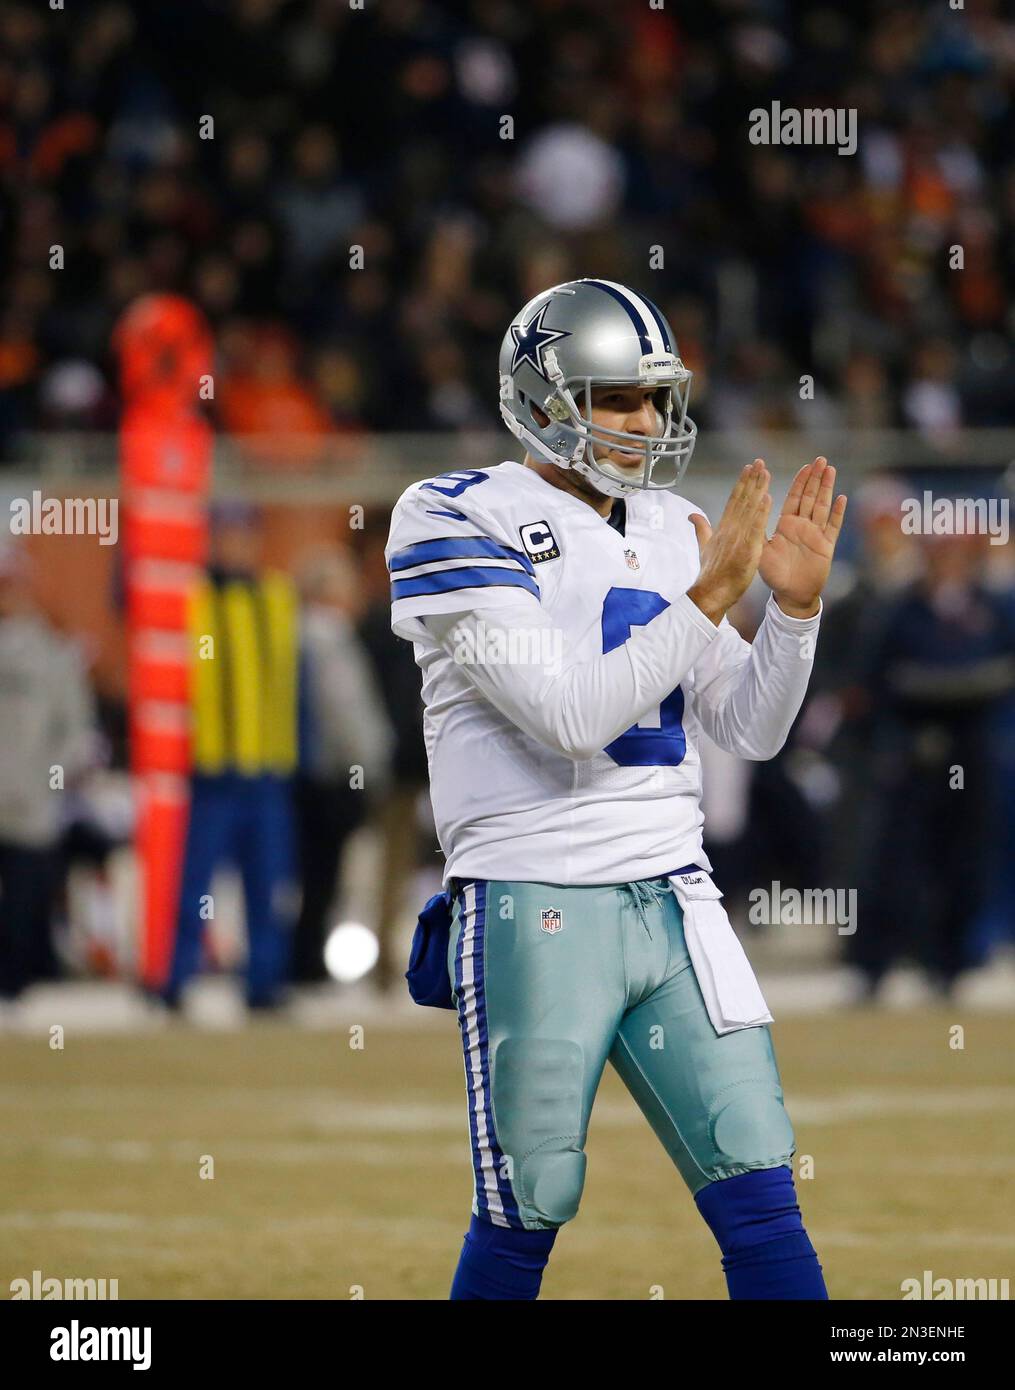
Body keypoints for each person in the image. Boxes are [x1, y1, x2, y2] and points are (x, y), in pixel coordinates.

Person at [385, 279, 847, 1300]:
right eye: (615, 398)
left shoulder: (676, 523)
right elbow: (567, 717)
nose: (644, 421)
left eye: (651, 399)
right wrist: (710, 595)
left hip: (674, 894)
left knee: (761, 1186)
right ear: (541, 396)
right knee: (529, 1205)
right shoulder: (452, 514)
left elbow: (748, 727)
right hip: (532, 897)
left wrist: (793, 613)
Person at [164, 503, 299, 1011]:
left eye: (243, 535)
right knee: (193, 882)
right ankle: (174, 978)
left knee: (269, 885)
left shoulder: (277, 597)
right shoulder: (192, 599)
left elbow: (294, 687)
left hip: (267, 771)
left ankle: (263, 982)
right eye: (226, 536)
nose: (234, 546)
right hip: (210, 770)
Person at [0, 546, 96, 999]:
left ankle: (20, 987)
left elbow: (76, 732)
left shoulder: (52, 654)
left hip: (29, 803)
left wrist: (48, 780)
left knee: (24, 904)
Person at [292, 547, 392, 983]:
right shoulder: (327, 636)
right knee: (323, 873)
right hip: (332, 776)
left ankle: (300, 958)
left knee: (306, 873)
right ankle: (307, 962)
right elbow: (346, 709)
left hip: (302, 772)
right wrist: (372, 760)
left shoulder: (295, 634)